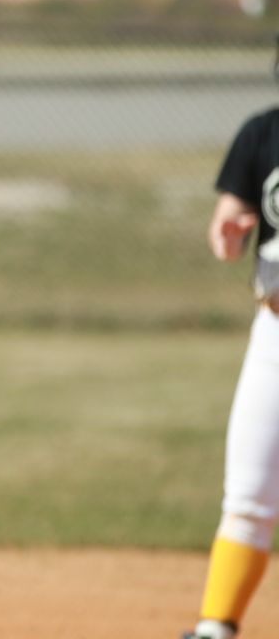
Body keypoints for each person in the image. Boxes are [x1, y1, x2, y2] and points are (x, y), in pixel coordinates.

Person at [185, 98, 279, 639]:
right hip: (275, 331)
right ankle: (215, 628)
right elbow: (230, 218)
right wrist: (228, 234)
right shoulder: (263, 133)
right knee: (247, 496)